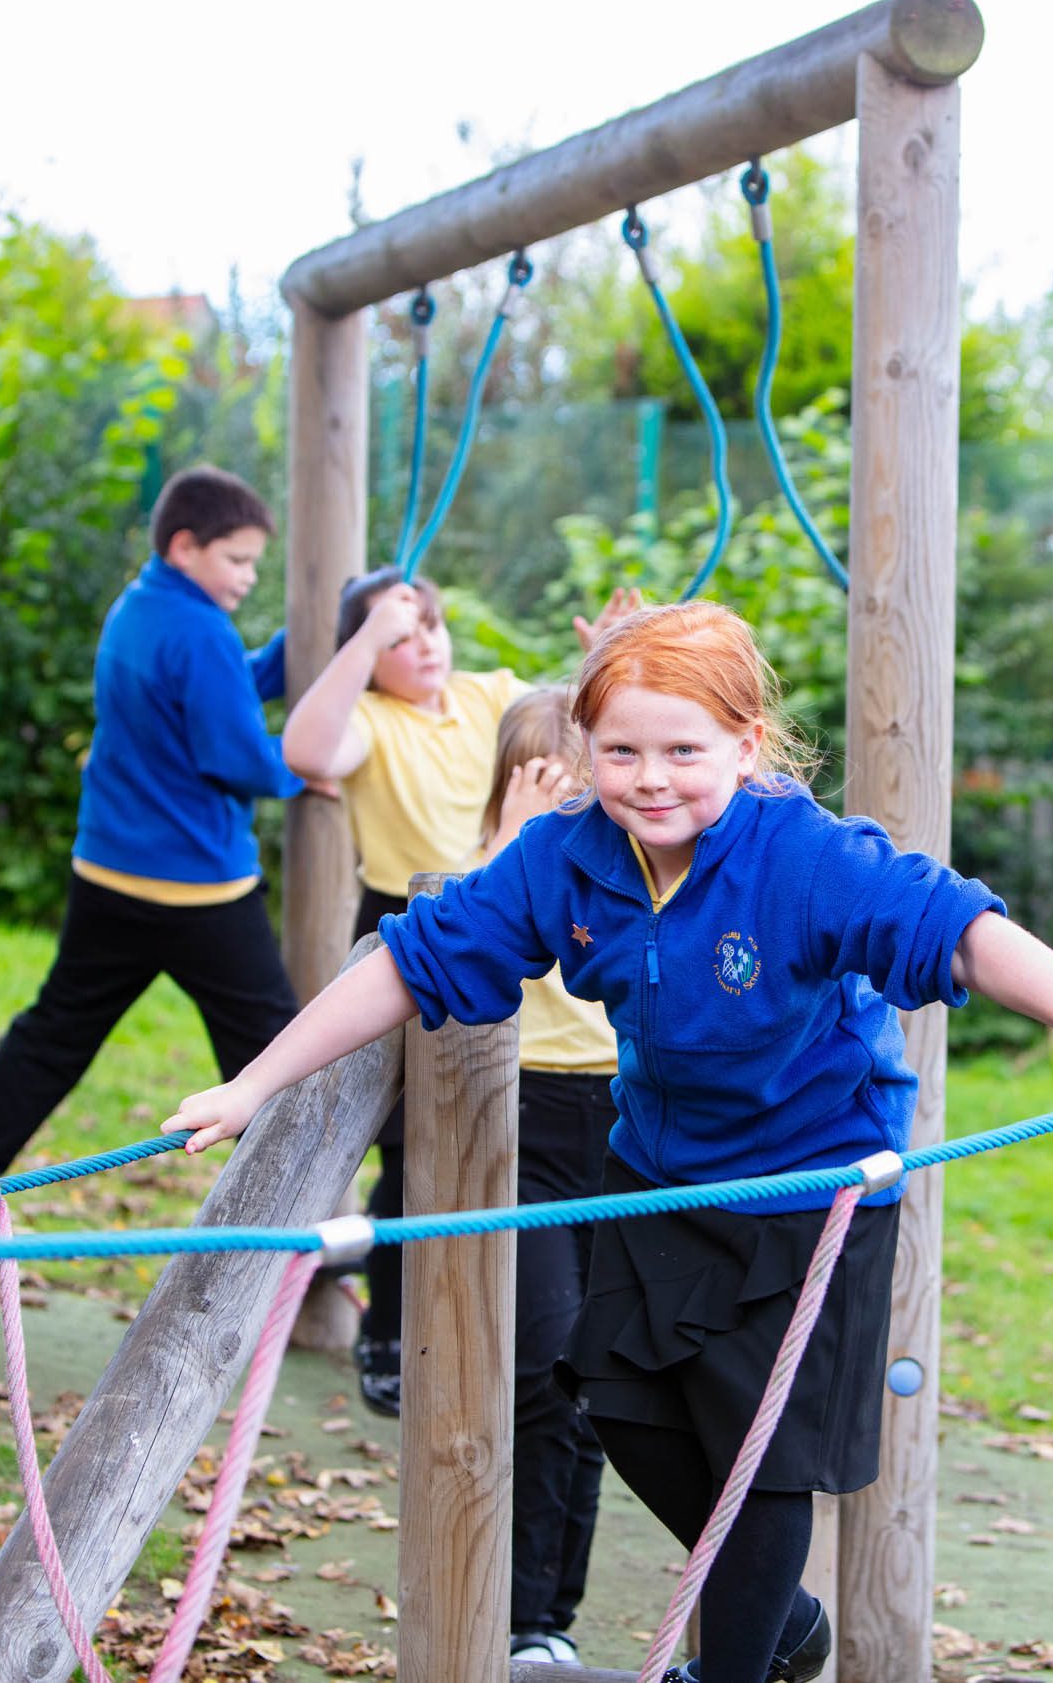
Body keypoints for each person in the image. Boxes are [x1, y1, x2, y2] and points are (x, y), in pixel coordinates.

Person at [167, 601, 1053, 1683]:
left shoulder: (804, 858)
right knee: (620, 1404)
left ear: (747, 746)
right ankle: (783, 1620)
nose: (650, 780)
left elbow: (964, 934)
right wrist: (253, 1083)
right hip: (663, 1174)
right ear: (583, 748)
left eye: (683, 753)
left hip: (810, 1192)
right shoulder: (569, 858)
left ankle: (738, 1663)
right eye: (620, 752)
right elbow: (412, 960)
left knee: (761, 1465)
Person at [279, 568, 635, 1416]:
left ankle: (454, 1337)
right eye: (397, 639)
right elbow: (306, 752)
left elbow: (560, 725)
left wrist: (606, 671)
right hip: (418, 923)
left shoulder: (484, 694)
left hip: (510, 909)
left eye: (430, 626)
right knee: (408, 1149)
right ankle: (390, 1334)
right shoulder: (371, 718)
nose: (424, 645)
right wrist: (367, 641)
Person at [0, 466, 306, 1187]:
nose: (249, 576)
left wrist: (287, 653)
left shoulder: (138, 606)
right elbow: (240, 759)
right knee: (276, 1056)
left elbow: (207, 691)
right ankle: (297, 1217)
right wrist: (304, 763)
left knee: (54, 1037)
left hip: (109, 875)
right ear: (186, 546)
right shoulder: (203, 630)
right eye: (237, 559)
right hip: (199, 893)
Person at [479, 688, 614, 1669]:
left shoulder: (633, 864)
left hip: (621, 1118)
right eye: (541, 794)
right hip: (522, 1116)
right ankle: (524, 1614)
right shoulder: (490, 865)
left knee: (597, 1378)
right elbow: (464, 954)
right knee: (541, 1363)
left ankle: (552, 1615)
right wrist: (511, 840)